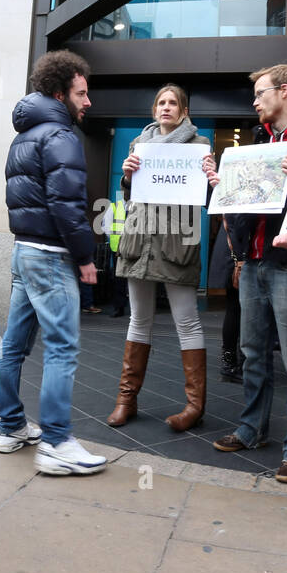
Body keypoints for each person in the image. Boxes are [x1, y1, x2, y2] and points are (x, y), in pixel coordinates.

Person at [212, 65, 287, 483]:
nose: (255, 101)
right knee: (252, 353)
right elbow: (244, 207)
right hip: (254, 265)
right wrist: (220, 185)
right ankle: (252, 430)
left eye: (261, 93)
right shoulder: (261, 143)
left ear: (285, 91)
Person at [0, 50, 106, 476]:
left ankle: (11, 427)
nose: (88, 101)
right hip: (52, 256)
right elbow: (66, 205)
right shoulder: (60, 136)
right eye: (82, 93)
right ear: (60, 94)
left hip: (24, 252)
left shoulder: (24, 136)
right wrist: (85, 258)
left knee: (13, 346)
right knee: (62, 348)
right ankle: (57, 442)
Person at [106, 84, 219, 431]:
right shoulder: (138, 144)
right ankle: (126, 400)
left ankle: (194, 406)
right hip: (139, 238)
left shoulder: (199, 147)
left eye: (173, 103)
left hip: (177, 241)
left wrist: (213, 177)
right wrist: (126, 175)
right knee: (139, 319)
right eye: (161, 103)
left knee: (186, 321)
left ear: (184, 111)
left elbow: (204, 195)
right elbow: (131, 192)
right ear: (155, 110)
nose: (166, 107)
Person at [208, 217, 242, 382]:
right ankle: (231, 362)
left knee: (234, 308)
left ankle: (230, 361)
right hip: (237, 251)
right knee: (236, 308)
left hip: (231, 250)